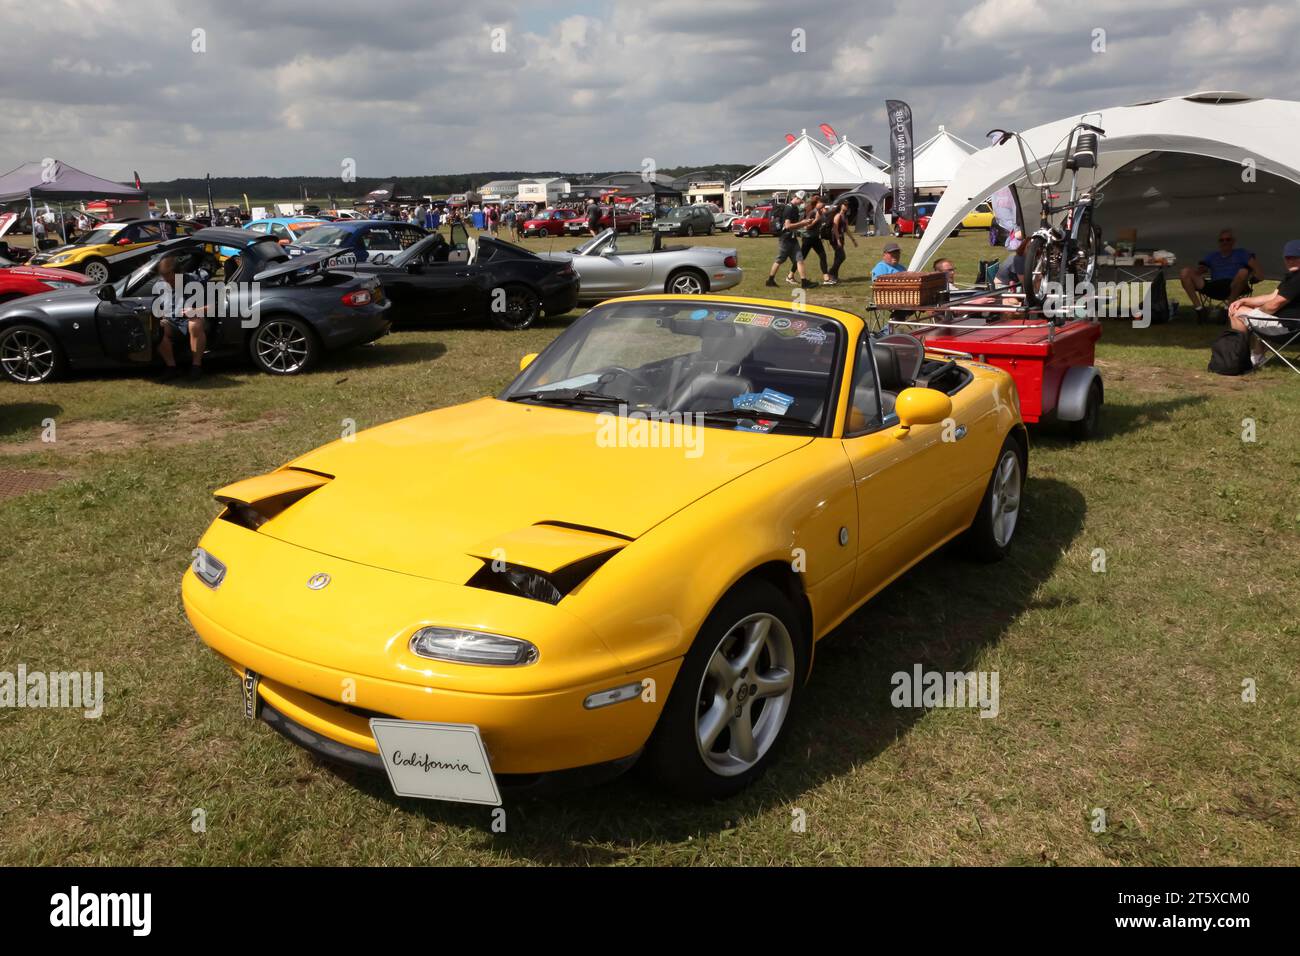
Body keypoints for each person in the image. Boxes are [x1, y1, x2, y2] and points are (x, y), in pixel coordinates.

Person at [1227, 239, 1300, 367]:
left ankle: (1239, 358)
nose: (1290, 260)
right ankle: (1257, 355)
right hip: (1291, 326)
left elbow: (1273, 305)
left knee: (1236, 311)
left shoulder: (1297, 279)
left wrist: (1254, 311)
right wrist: (1245, 301)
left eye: (1295, 257)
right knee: (1253, 312)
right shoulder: (1293, 276)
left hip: (1288, 329)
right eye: (1288, 257)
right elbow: (1272, 296)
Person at [1180, 229, 1260, 322]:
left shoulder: (1242, 253)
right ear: (1219, 242)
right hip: (1214, 286)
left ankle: (1228, 310)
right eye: (1222, 240)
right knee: (1184, 272)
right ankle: (1200, 310)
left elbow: (1258, 271)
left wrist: (1256, 277)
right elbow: (1202, 269)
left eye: (1228, 239)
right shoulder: (1212, 255)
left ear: (1233, 241)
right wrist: (1199, 270)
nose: (1224, 242)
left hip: (1234, 285)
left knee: (1243, 271)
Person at [155, 252, 208, 381]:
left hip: (192, 320)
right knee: (157, 328)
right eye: (166, 280)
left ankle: (196, 367)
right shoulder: (162, 285)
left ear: (179, 273)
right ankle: (172, 368)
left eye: (171, 280)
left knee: (194, 322)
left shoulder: (195, 281)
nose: (169, 282)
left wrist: (195, 311)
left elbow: (213, 306)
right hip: (173, 322)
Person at [765, 191, 817, 289]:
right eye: (802, 200)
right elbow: (788, 226)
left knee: (799, 259)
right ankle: (770, 280)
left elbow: (794, 225)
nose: (802, 203)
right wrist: (803, 223)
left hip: (791, 237)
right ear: (797, 198)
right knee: (780, 259)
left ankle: (804, 282)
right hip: (786, 238)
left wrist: (804, 223)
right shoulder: (789, 208)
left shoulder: (794, 208)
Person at [787, 196, 831, 285]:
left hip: (815, 238)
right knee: (801, 258)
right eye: (823, 204)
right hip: (808, 238)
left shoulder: (819, 211)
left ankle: (826, 278)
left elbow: (823, 222)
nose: (824, 206)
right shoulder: (812, 212)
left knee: (823, 256)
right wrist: (816, 220)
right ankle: (790, 276)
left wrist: (824, 215)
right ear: (818, 203)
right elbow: (806, 227)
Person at [825, 201, 857, 285]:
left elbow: (847, 229)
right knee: (842, 256)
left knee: (837, 257)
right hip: (835, 239)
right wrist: (838, 240)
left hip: (841, 238)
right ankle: (830, 272)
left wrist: (853, 240)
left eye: (847, 205)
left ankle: (834, 277)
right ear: (841, 205)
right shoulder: (838, 215)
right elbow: (835, 229)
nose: (846, 206)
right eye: (845, 205)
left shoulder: (844, 217)